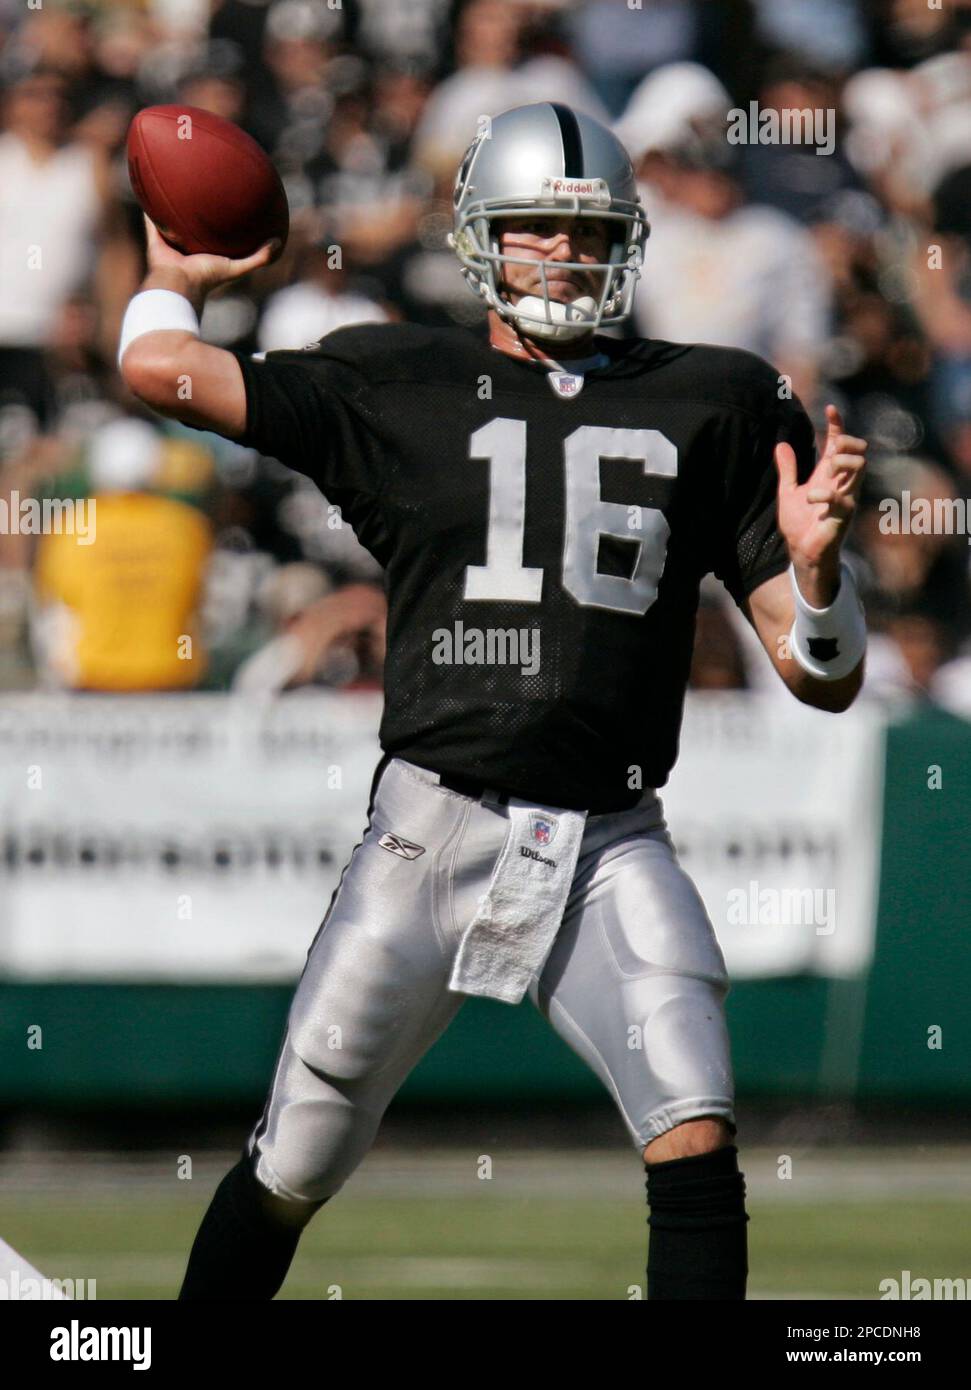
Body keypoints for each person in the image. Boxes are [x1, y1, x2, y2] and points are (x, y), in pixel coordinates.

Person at [118, 102, 868, 1301]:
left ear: (626, 240)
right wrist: (174, 273)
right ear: (480, 238)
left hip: (611, 837)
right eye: (531, 230)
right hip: (431, 824)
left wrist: (818, 575)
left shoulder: (716, 398)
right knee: (298, 1154)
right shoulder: (396, 375)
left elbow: (822, 676)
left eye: (584, 234)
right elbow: (160, 368)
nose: (560, 257)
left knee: (695, 1123)